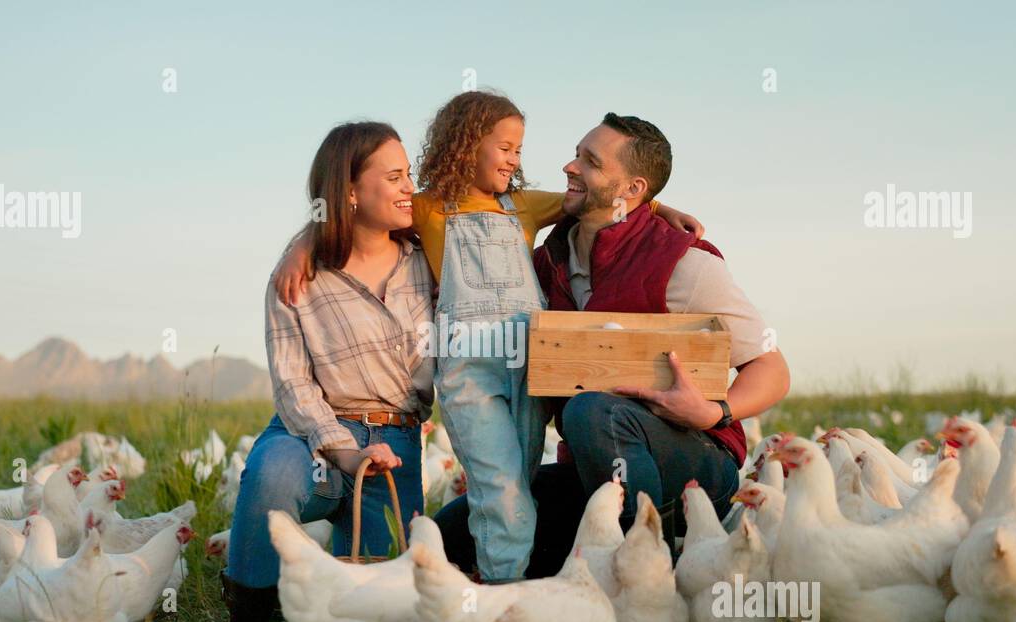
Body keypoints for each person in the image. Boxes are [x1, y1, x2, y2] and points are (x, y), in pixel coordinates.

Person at [274, 91, 705, 582]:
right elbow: (357, 209)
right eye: (504, 147)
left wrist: (660, 206)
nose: (515, 159)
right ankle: (505, 593)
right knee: (501, 489)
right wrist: (304, 244)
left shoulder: (522, 205)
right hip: (470, 369)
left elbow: (602, 198)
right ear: (466, 144)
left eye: (518, 150)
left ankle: (497, 579)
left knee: (516, 484)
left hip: (529, 367)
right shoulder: (430, 208)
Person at [438, 113, 790, 563]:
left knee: (594, 409)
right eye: (576, 153)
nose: (569, 166)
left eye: (590, 161)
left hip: (693, 466)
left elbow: (772, 370)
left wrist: (711, 412)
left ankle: (648, 571)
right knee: (461, 534)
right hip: (592, 470)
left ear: (632, 190)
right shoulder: (545, 263)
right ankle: (577, 571)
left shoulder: (685, 263)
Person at [220, 121, 433, 622]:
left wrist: (655, 210)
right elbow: (292, 384)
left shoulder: (429, 256)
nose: (409, 185)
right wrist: (342, 449)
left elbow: (503, 212)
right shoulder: (296, 277)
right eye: (393, 176)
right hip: (311, 435)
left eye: (409, 173)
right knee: (270, 478)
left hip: (396, 447)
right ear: (350, 192)